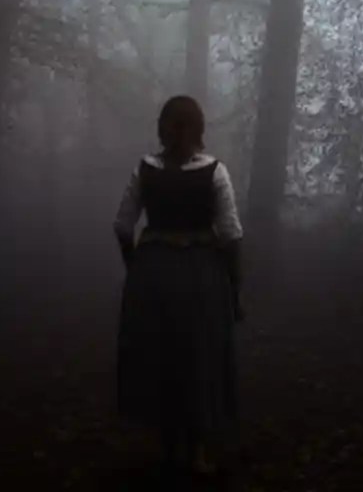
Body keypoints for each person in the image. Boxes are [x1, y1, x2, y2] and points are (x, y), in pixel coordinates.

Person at [112, 95, 245, 478]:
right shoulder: (215, 172)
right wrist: (235, 288)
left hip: (153, 275)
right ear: (199, 129)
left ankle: (169, 449)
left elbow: (123, 226)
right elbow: (231, 235)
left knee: (161, 360)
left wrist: (136, 267)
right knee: (199, 360)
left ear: (162, 128)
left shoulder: (145, 169)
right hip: (201, 276)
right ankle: (195, 452)